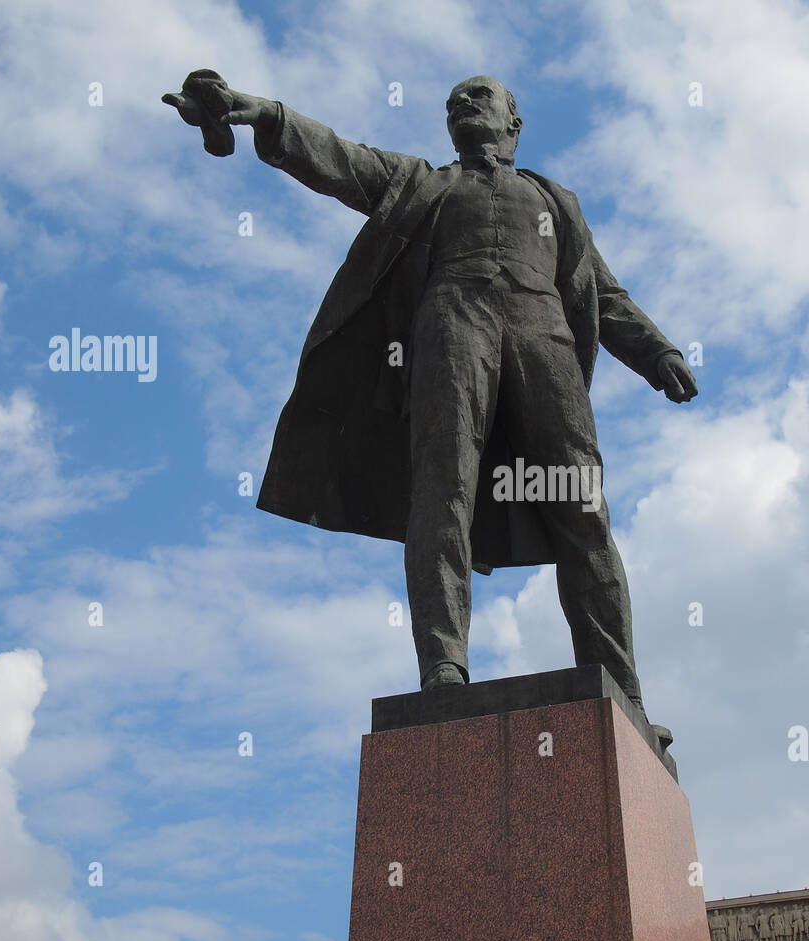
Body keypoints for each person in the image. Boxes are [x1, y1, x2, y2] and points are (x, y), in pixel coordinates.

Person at [163, 74, 698, 742]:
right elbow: (340, 159)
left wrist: (659, 354)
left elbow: (606, 295)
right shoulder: (423, 183)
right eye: (450, 104)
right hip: (451, 327)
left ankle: (624, 695)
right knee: (443, 494)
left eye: (477, 95)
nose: (459, 106)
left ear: (514, 119)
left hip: (546, 339)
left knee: (583, 511)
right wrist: (266, 115)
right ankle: (444, 668)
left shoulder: (555, 201)